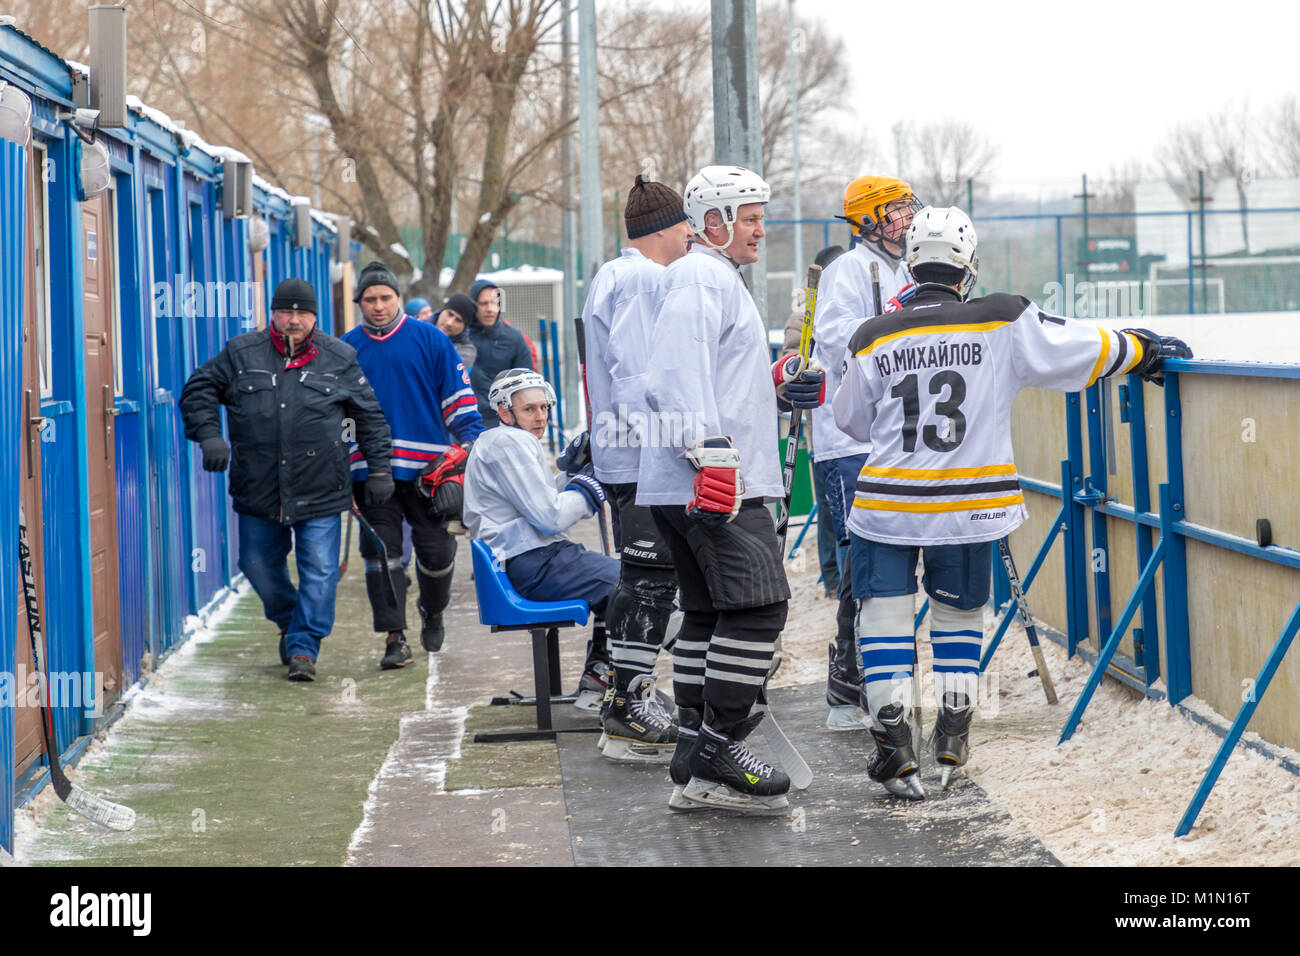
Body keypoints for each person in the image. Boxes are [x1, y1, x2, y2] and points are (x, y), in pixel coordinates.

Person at [832, 206, 1193, 799]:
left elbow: (850, 420)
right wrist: (1139, 348)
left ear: (911, 264)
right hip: (970, 504)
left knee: (884, 620)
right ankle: (951, 737)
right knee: (957, 618)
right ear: (965, 266)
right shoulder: (1000, 317)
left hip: (887, 503)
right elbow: (1074, 349)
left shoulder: (874, 333)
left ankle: (894, 751)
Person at [637, 165, 825, 814]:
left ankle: (694, 746)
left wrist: (777, 381)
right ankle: (719, 743)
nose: (760, 229)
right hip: (713, 483)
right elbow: (669, 376)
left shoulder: (710, 279)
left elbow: (716, 377)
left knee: (710, 615)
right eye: (749, 217)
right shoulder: (699, 275)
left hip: (691, 478)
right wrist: (712, 456)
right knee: (759, 609)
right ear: (712, 221)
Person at [179, 277, 393, 682]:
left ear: (315, 316)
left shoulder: (339, 357)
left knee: (320, 570)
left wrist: (380, 469)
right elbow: (198, 389)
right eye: (286, 312)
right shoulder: (242, 352)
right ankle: (289, 620)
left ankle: (303, 648)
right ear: (273, 314)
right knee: (256, 564)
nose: (294, 320)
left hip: (322, 487)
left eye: (302, 313)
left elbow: (370, 417)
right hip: (258, 486)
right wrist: (209, 434)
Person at [561, 173, 692, 763]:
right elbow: (643, 379)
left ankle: (620, 693)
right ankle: (624, 702)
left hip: (625, 453)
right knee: (650, 582)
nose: (693, 235)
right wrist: (685, 445)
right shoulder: (641, 279)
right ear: (667, 227)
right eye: (688, 224)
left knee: (646, 581)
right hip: (642, 457)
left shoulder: (617, 275)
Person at [813, 176, 922, 731]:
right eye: (897, 210)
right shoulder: (847, 270)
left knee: (887, 558)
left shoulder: (904, 270)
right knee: (861, 561)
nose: (907, 218)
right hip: (847, 440)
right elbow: (837, 340)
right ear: (870, 217)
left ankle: (878, 671)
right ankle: (847, 679)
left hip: (887, 438)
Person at [342, 261, 485, 669]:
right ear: (359, 303)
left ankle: (433, 611)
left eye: (385, 297)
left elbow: (458, 400)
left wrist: (474, 442)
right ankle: (394, 638)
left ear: (398, 299)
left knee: (437, 553)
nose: (378, 306)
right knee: (379, 554)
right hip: (372, 472)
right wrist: (341, 457)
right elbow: (337, 413)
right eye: (370, 299)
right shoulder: (346, 348)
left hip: (429, 473)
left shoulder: (431, 340)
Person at [463, 369, 630, 714]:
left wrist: (570, 473)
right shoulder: (509, 442)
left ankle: (599, 676)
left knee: (618, 582)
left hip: (532, 557)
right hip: (533, 562)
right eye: (529, 409)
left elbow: (535, 501)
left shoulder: (504, 441)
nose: (539, 417)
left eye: (543, 408)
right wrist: (589, 486)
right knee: (633, 585)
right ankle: (699, 670)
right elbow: (549, 517)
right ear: (504, 411)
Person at [781, 245, 846, 599]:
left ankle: (839, 576)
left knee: (846, 509)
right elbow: (792, 359)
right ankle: (833, 577)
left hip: (854, 430)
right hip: (822, 431)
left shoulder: (849, 309)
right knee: (830, 506)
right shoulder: (805, 314)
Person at [467, 279, 536, 427]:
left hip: (503, 422)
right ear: (473, 306)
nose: (490, 309)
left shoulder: (514, 338)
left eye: (495, 303)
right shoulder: (461, 337)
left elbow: (527, 387)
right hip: (466, 422)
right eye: (483, 303)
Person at [435, 293, 479, 369]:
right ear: (442, 311)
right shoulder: (417, 329)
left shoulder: (466, 351)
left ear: (464, 327)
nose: (450, 323)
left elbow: (443, 372)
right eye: (450, 314)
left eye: (458, 320)